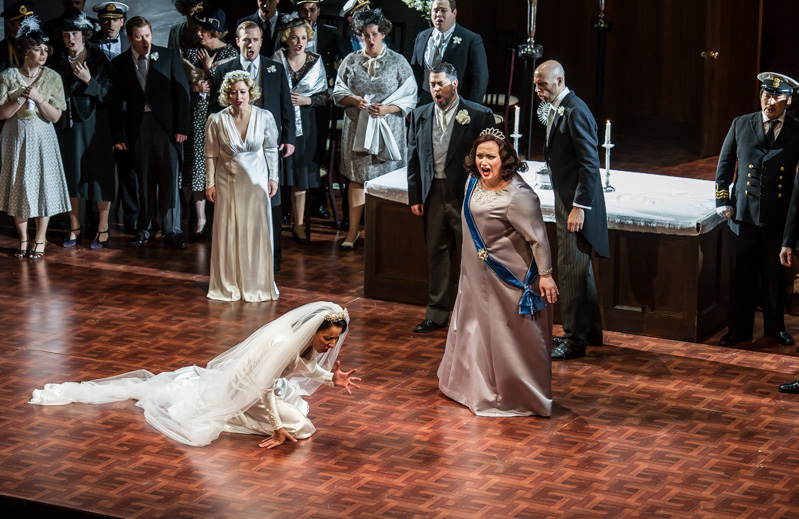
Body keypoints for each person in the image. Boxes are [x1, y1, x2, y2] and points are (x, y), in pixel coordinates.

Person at [30, 302, 360, 449]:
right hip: (246, 390)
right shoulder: (286, 343)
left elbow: (303, 367)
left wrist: (333, 380)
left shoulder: (302, 345)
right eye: (327, 337)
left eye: (334, 340)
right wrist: (275, 426)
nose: (330, 345)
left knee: (298, 414)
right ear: (312, 330)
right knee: (301, 425)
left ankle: (256, 417)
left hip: (263, 388)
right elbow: (263, 389)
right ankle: (237, 414)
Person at [438, 129, 558, 417]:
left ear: (504, 159)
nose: (483, 162)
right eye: (479, 156)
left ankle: (511, 396)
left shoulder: (520, 196)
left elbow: (538, 239)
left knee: (505, 336)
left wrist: (546, 274)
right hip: (474, 276)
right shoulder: (473, 182)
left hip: (507, 279)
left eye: (490, 156)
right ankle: (469, 388)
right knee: (473, 329)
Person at [406, 62, 495, 333]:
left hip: (465, 195)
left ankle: (475, 315)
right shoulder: (420, 115)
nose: (436, 89)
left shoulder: (479, 115)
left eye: (441, 83)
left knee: (472, 255)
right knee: (437, 252)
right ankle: (437, 313)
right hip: (432, 193)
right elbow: (413, 159)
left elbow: (492, 158)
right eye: (432, 84)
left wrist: (486, 197)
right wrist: (415, 196)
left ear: (454, 83)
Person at [714, 72, 799, 349]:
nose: (769, 100)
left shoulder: (796, 130)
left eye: (776, 96)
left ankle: (775, 329)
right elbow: (725, 166)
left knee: (773, 276)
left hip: (776, 215)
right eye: (765, 94)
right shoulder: (741, 124)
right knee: (742, 276)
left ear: (788, 100)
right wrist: (722, 200)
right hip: (743, 214)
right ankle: (739, 330)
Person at [535, 60, 609, 360]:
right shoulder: (562, 106)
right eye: (536, 85)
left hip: (578, 204)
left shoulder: (575, 111)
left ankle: (573, 339)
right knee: (580, 269)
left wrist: (579, 207)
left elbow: (590, 165)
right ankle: (590, 330)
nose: (538, 91)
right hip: (568, 198)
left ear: (560, 81)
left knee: (569, 268)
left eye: (543, 85)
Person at [211, 20, 295, 272]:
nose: (251, 44)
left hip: (266, 147)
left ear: (261, 42)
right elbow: (216, 112)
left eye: (255, 39)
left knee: (271, 200)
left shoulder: (275, 69)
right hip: (236, 153)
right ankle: (237, 260)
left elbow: (285, 106)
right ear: (237, 41)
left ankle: (272, 258)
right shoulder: (223, 69)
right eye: (246, 39)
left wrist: (288, 137)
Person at [333, 8, 416, 250]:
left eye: (374, 34)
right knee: (357, 179)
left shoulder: (398, 62)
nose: (369, 40)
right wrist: (354, 100)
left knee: (386, 179)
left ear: (383, 34)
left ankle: (385, 232)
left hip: (388, 129)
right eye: (364, 35)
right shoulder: (351, 61)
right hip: (358, 127)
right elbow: (338, 92)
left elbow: (410, 97)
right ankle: (353, 231)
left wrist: (387, 109)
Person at [110, 16, 190, 250]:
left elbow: (182, 93)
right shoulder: (120, 63)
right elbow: (115, 103)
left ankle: (171, 230)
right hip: (139, 127)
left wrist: (181, 129)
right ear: (129, 38)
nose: (145, 41)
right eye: (138, 37)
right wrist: (118, 136)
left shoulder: (167, 56)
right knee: (144, 179)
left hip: (167, 128)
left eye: (148, 35)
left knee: (169, 179)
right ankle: (144, 228)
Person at [205, 70, 280, 302]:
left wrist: (273, 177)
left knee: (255, 232)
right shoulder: (217, 120)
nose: (239, 96)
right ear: (227, 94)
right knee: (229, 232)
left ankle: (256, 283)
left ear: (251, 92)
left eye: (243, 92)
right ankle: (229, 284)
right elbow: (210, 155)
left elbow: (270, 148)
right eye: (233, 92)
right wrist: (210, 183)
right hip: (228, 182)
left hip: (257, 183)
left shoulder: (264, 116)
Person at [0, 16, 69, 260]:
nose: (43, 53)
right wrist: (19, 98)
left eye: (45, 50)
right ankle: (23, 239)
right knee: (18, 187)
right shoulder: (8, 76)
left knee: (43, 187)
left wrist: (39, 99)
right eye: (37, 49)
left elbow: (56, 117)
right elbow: (1, 113)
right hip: (16, 137)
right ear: (25, 50)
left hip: (43, 139)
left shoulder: (52, 78)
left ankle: (40, 238)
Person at [53, 8, 115, 250]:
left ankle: (102, 227)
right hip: (68, 125)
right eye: (67, 33)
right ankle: (74, 226)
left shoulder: (99, 58)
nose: (71, 39)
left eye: (75, 33)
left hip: (96, 125)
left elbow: (110, 95)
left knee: (99, 175)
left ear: (84, 34)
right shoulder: (58, 59)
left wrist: (90, 81)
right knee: (72, 175)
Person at [181, 7, 238, 241]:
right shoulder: (191, 51)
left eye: (204, 29)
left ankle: (221, 217)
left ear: (215, 31)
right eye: (199, 28)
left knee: (222, 164)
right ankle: (200, 218)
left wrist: (209, 69)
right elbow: (180, 83)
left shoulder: (231, 54)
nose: (199, 32)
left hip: (222, 118)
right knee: (198, 164)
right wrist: (194, 87)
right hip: (197, 115)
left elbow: (232, 89)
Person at [273, 14, 328, 244]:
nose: (299, 42)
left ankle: (298, 225)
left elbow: (325, 95)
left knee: (301, 177)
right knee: (276, 174)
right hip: (279, 124)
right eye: (295, 37)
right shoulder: (276, 59)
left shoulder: (315, 61)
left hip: (306, 124)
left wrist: (308, 101)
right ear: (286, 38)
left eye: (304, 38)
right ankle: (274, 223)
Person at [90, 2, 136, 234]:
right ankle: (95, 220)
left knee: (128, 168)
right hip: (98, 113)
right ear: (99, 21)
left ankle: (131, 219)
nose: (110, 24)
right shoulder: (89, 46)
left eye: (114, 19)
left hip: (127, 114)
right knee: (97, 167)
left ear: (122, 21)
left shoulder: (132, 43)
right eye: (105, 19)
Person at [410, 0, 488, 105]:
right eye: (435, 11)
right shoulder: (422, 36)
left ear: (454, 13)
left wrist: (471, 109)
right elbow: (415, 71)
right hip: (424, 102)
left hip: (455, 103)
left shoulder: (470, 39)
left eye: (443, 11)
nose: (439, 15)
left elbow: (480, 78)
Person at [0, 2, 36, 72]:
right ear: (11, 25)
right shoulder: (3, 47)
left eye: (28, 22)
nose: (26, 27)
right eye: (21, 24)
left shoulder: (41, 43)